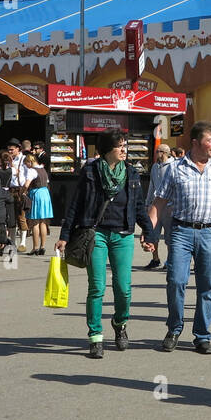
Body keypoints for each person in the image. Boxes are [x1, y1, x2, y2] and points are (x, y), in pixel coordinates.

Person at [57, 131, 155, 357]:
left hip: (123, 236)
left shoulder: (131, 173)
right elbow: (76, 204)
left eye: (125, 145)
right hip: (96, 234)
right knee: (97, 287)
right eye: (120, 146)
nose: (124, 150)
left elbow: (139, 207)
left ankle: (120, 324)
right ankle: (95, 336)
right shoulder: (90, 172)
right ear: (107, 149)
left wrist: (148, 234)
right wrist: (64, 234)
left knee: (124, 289)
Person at [149, 123, 211, 356]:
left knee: (207, 286)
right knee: (177, 281)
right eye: (210, 140)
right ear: (195, 143)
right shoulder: (175, 169)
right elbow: (159, 203)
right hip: (181, 231)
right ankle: (174, 329)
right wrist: (150, 233)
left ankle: (202, 335)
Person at [145, 145, 172, 269]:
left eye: (158, 151)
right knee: (153, 233)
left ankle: (170, 260)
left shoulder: (173, 166)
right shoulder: (155, 167)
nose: (156, 154)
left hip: (169, 206)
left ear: (165, 153)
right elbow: (152, 185)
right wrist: (147, 202)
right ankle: (155, 259)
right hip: (155, 204)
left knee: (169, 235)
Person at [25, 153, 52, 256]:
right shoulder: (43, 170)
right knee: (43, 221)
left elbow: (27, 184)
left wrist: (23, 191)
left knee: (35, 221)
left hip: (36, 194)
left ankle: (35, 247)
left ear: (30, 161)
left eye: (26, 163)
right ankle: (43, 246)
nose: (26, 165)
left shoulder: (32, 171)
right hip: (45, 193)